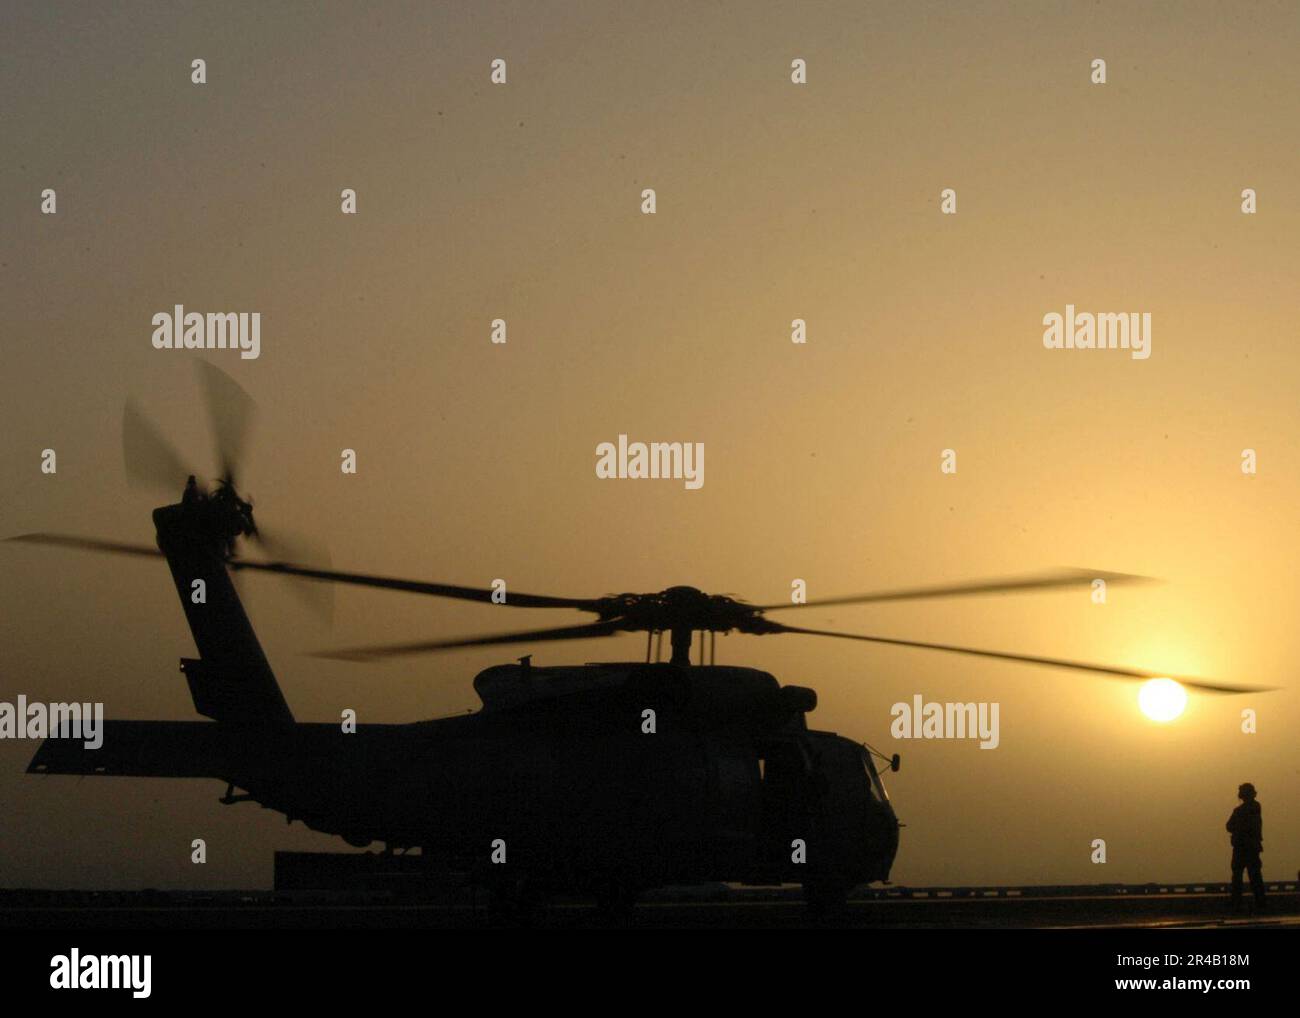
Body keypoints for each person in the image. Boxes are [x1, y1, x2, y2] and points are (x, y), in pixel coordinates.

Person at [1225, 782, 1265, 910]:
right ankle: (1255, 903)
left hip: (1245, 848)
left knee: (1246, 876)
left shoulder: (1245, 809)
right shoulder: (1251, 808)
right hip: (1247, 848)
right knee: (1248, 876)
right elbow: (1229, 826)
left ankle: (1240, 903)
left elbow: (1230, 826)